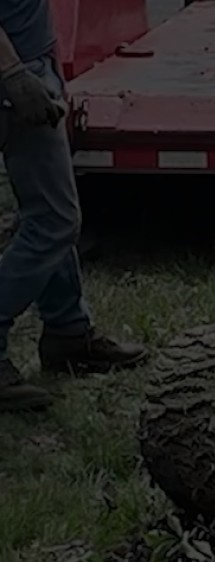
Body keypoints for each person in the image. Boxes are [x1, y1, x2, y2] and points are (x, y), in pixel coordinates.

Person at [0, 1, 147, 412]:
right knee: (54, 222)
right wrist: (14, 75)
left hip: (31, 63)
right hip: (15, 76)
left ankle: (68, 331)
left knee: (48, 209)